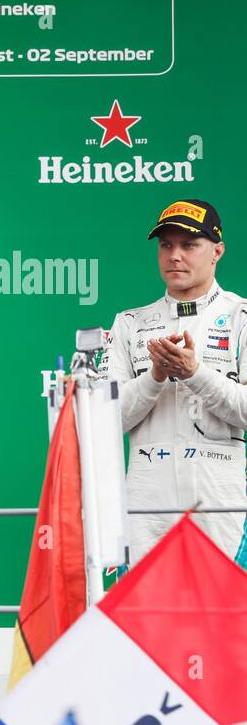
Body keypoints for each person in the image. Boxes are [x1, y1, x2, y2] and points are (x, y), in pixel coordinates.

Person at [101, 199, 247, 564]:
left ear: (217, 251)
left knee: (222, 614)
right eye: (166, 245)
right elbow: (107, 422)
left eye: (189, 245)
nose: (175, 256)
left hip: (220, 495)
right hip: (146, 499)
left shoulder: (241, 317)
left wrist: (195, 374)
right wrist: (155, 377)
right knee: (141, 618)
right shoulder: (130, 323)